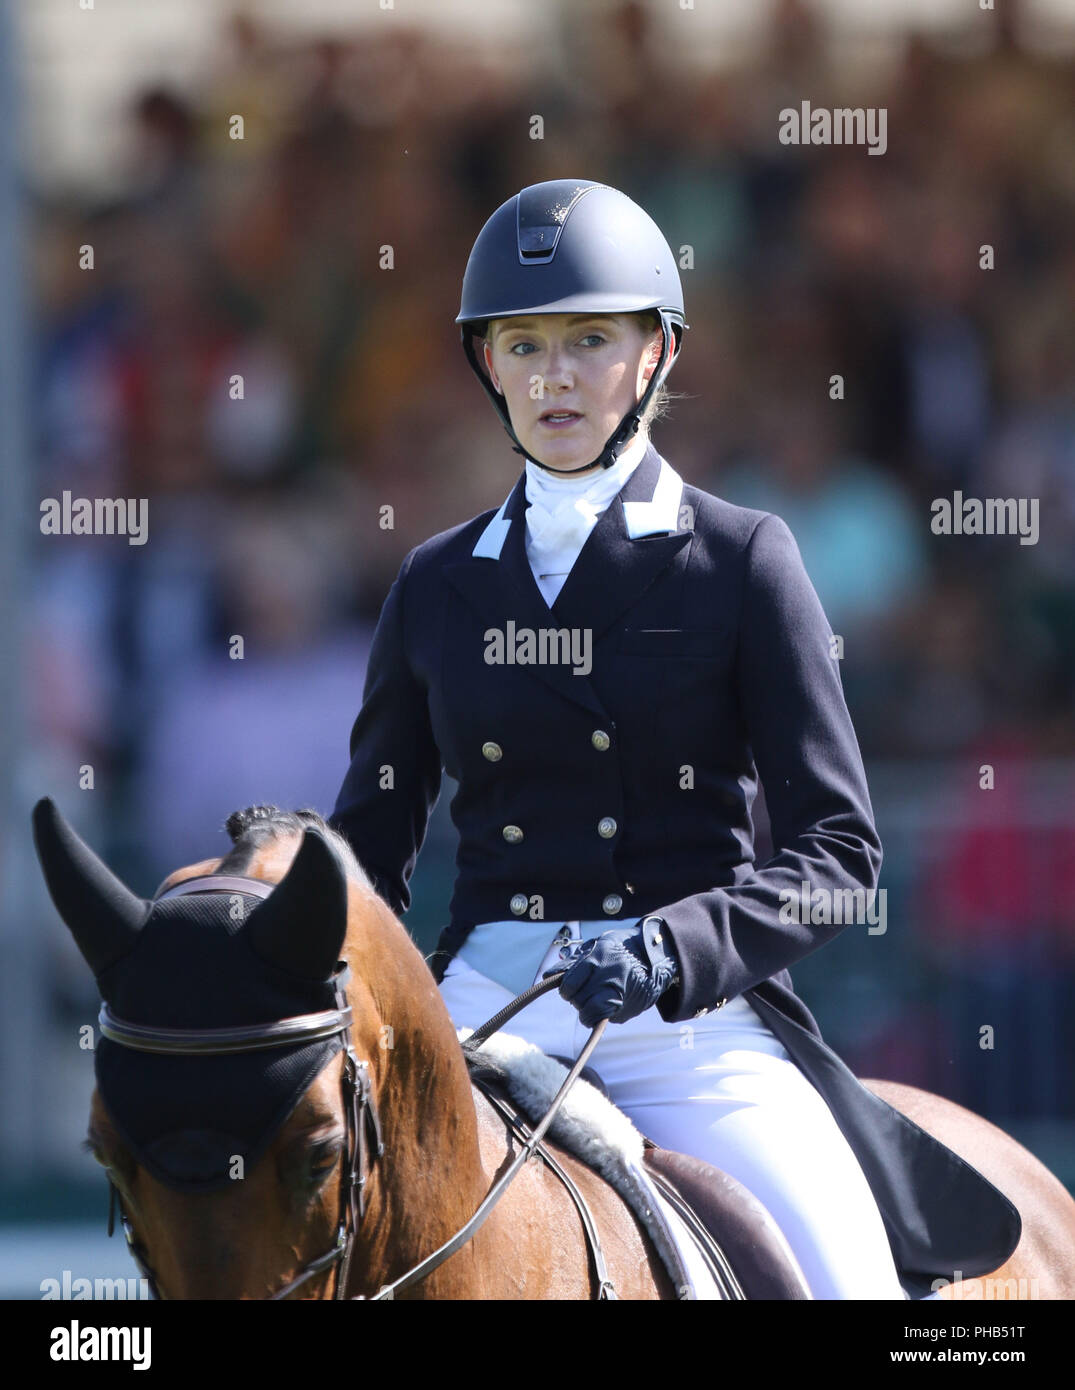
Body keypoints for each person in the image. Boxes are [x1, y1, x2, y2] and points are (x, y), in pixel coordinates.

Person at [328, 179, 1020, 1300]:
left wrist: (671, 950)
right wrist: (276, 884)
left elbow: (839, 858)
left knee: (850, 1287)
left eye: (589, 340)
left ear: (654, 354)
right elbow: (368, 857)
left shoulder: (743, 560)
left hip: (691, 1030)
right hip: (482, 1013)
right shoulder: (437, 585)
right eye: (525, 345)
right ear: (487, 365)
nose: (555, 375)